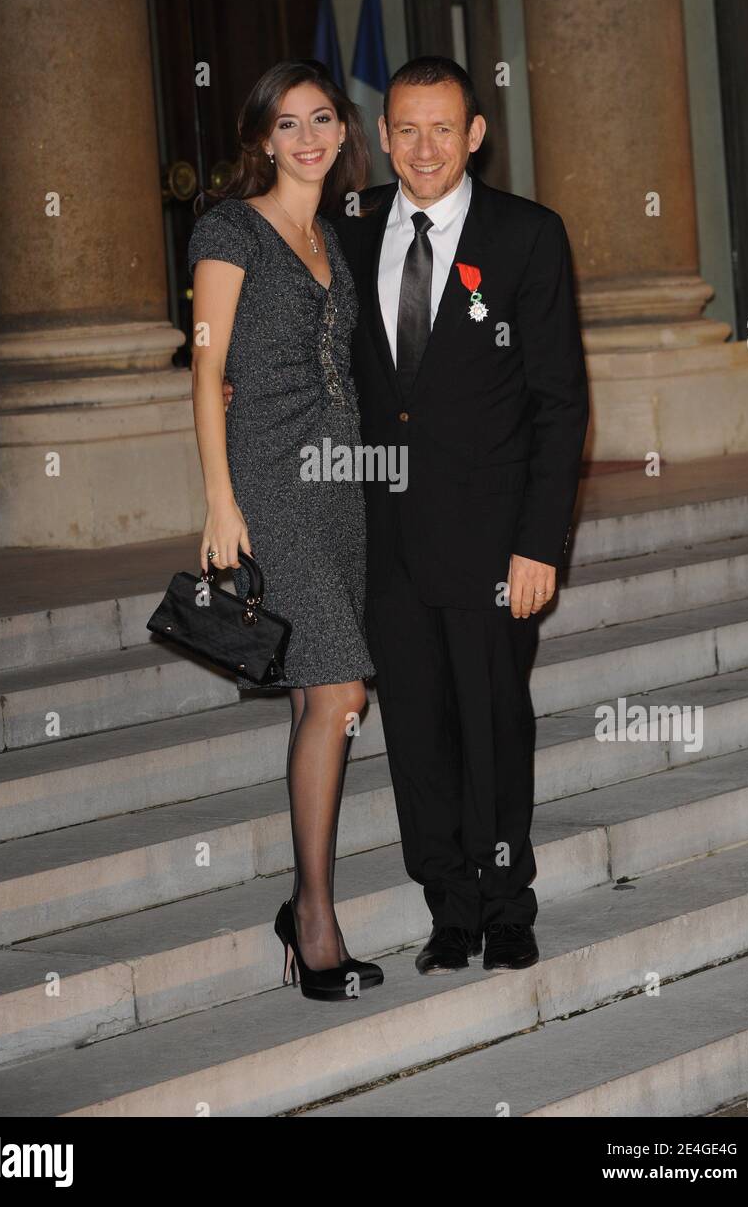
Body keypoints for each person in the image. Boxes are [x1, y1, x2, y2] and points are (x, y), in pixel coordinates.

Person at [333, 56, 589, 976]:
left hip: (490, 538)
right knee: (417, 730)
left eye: (443, 128)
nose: (424, 147)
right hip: (383, 542)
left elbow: (558, 404)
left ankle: (505, 905)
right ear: (385, 133)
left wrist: (538, 543)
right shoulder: (349, 229)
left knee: (493, 724)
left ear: (475, 133)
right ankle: (447, 907)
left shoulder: (526, 237)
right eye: (405, 128)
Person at [188, 60, 383, 1001]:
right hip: (268, 479)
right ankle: (313, 922)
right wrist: (222, 501)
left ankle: (304, 903)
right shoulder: (229, 230)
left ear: (344, 132)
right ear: (261, 139)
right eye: (286, 123)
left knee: (329, 698)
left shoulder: (338, 235)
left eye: (321, 119)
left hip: (340, 483)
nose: (305, 137)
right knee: (339, 686)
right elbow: (204, 369)